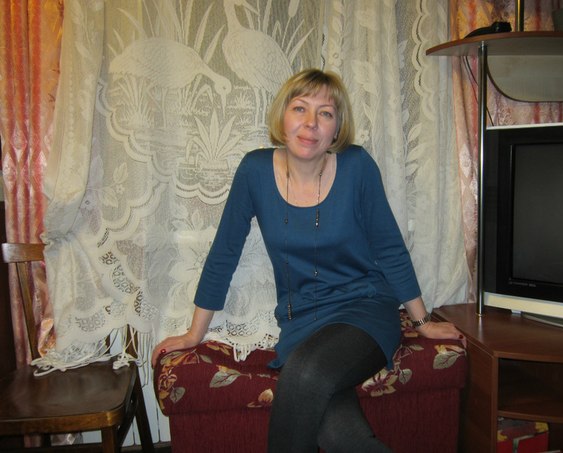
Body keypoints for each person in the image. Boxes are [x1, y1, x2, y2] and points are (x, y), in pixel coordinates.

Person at [152, 68, 464, 452]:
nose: (311, 122)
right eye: (300, 108)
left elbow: (390, 248)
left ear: (336, 129)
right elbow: (224, 253)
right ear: (282, 117)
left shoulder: (357, 167)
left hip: (364, 312)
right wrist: (193, 334)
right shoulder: (254, 171)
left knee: (304, 372)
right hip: (301, 322)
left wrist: (423, 323)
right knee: (340, 435)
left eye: (325, 113)